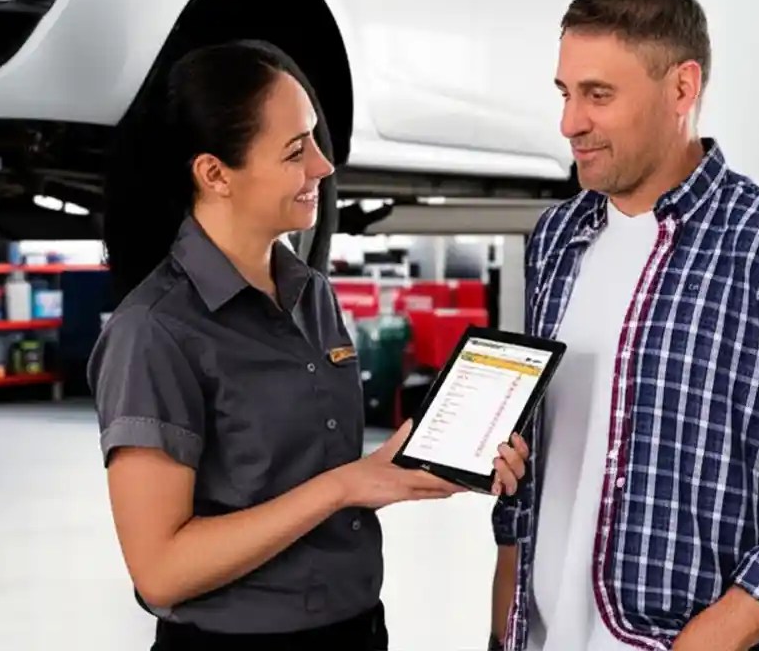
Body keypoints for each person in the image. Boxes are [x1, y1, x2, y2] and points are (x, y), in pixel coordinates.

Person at [489, 0, 759, 651]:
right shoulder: (558, 238)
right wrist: (504, 619)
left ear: (682, 89)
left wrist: (719, 633)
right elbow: (542, 454)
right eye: (564, 93)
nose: (569, 124)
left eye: (598, 95)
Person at [87, 40, 529, 651]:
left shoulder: (309, 292)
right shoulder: (153, 332)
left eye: (316, 141)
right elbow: (160, 572)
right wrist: (346, 486)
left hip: (356, 628)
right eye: (297, 150)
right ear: (215, 174)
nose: (323, 167)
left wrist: (414, 463)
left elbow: (307, 464)